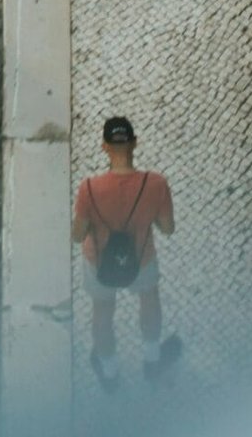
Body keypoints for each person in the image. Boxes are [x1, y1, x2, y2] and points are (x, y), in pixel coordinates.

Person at [72, 115, 182, 388]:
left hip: (99, 262)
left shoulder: (88, 188)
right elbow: (167, 228)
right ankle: (152, 361)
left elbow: (77, 236)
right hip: (141, 259)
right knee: (149, 300)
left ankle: (109, 373)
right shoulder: (156, 184)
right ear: (134, 143)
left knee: (102, 312)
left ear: (104, 147)